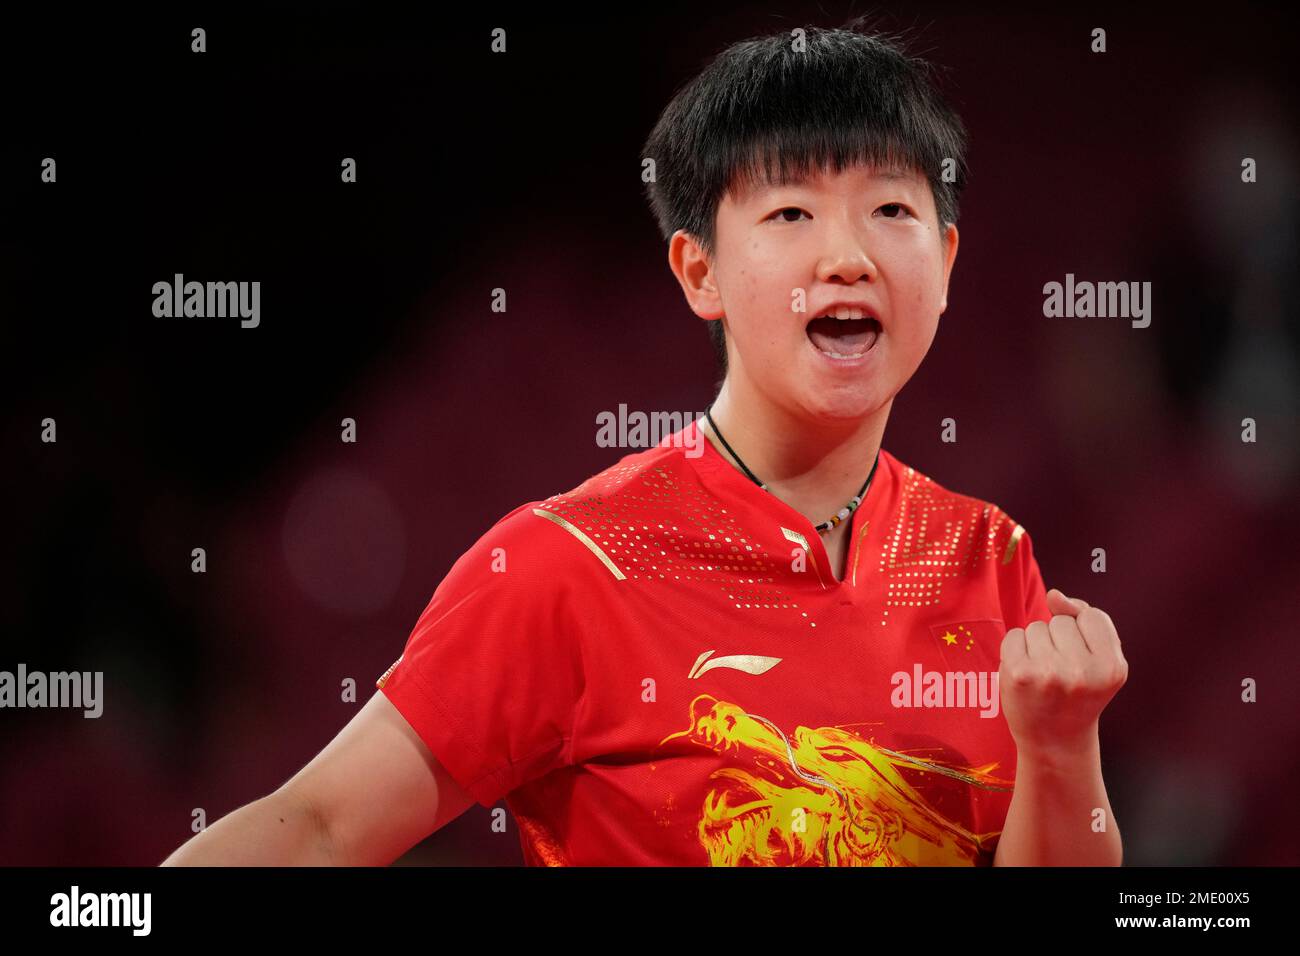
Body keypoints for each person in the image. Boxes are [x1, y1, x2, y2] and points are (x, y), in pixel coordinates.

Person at [162, 19, 1127, 868]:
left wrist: (1057, 748)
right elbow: (325, 828)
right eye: (791, 213)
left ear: (946, 264)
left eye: (892, 210)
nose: (849, 255)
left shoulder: (990, 560)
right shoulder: (565, 566)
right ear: (698, 270)